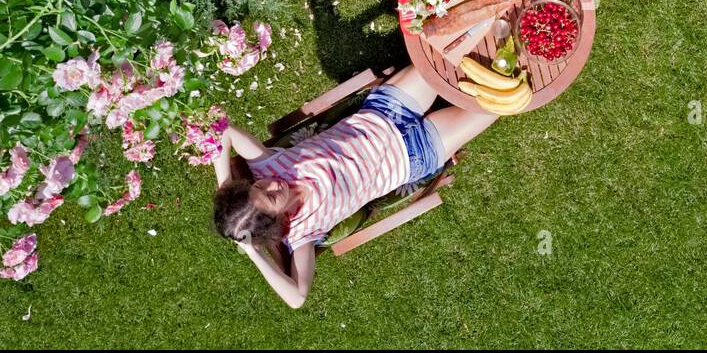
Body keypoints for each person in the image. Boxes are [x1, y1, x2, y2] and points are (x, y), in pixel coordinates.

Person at [211, 66, 496, 308]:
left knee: (444, 54)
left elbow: (221, 130)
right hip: (414, 155)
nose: (273, 184)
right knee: (496, 102)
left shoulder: (267, 165)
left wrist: (224, 188)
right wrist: (253, 253)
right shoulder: (301, 235)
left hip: (387, 112)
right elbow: (297, 298)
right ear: (277, 221)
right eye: (271, 197)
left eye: (259, 186)